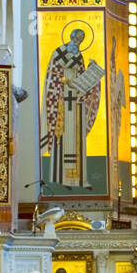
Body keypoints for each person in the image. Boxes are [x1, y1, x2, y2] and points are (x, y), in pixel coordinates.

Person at [41, 28, 103, 189]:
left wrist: (92, 70)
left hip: (75, 102)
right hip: (61, 101)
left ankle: (77, 179)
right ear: (71, 37)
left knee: (76, 139)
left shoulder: (79, 56)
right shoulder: (58, 53)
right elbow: (52, 75)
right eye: (77, 37)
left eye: (81, 39)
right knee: (61, 138)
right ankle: (60, 178)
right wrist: (65, 81)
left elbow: (83, 78)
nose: (79, 41)